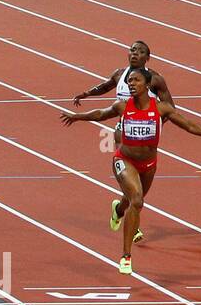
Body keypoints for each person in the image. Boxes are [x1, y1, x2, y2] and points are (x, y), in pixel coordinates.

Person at [61, 68, 201, 274]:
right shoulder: (123, 106)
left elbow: (190, 126)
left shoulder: (162, 109)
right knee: (137, 200)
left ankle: (118, 209)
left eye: (135, 81)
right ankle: (126, 256)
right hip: (124, 160)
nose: (131, 85)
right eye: (129, 82)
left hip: (149, 165)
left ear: (147, 85)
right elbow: (101, 114)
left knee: (132, 201)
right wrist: (77, 117)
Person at [72, 40, 174, 243]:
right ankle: (133, 227)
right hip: (123, 131)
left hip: (145, 135)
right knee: (133, 186)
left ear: (148, 57)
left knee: (136, 192)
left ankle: (119, 209)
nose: (135, 54)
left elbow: (170, 106)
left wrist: (152, 124)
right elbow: (105, 86)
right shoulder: (119, 74)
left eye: (140, 51)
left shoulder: (155, 79)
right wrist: (87, 93)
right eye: (132, 50)